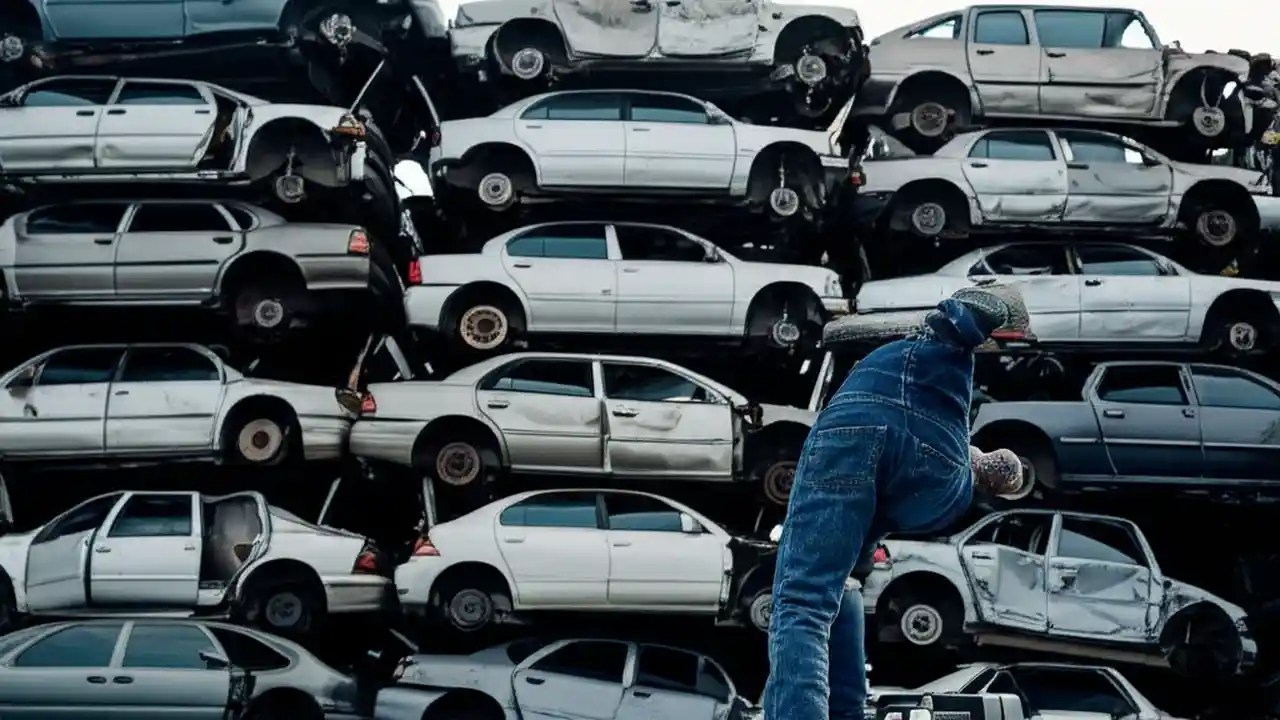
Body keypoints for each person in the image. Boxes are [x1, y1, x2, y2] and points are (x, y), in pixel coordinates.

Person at [762, 284, 1033, 720]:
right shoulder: (953, 429)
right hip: (937, 485)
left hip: (856, 438)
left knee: (804, 603)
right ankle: (846, 713)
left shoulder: (903, 362)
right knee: (846, 580)